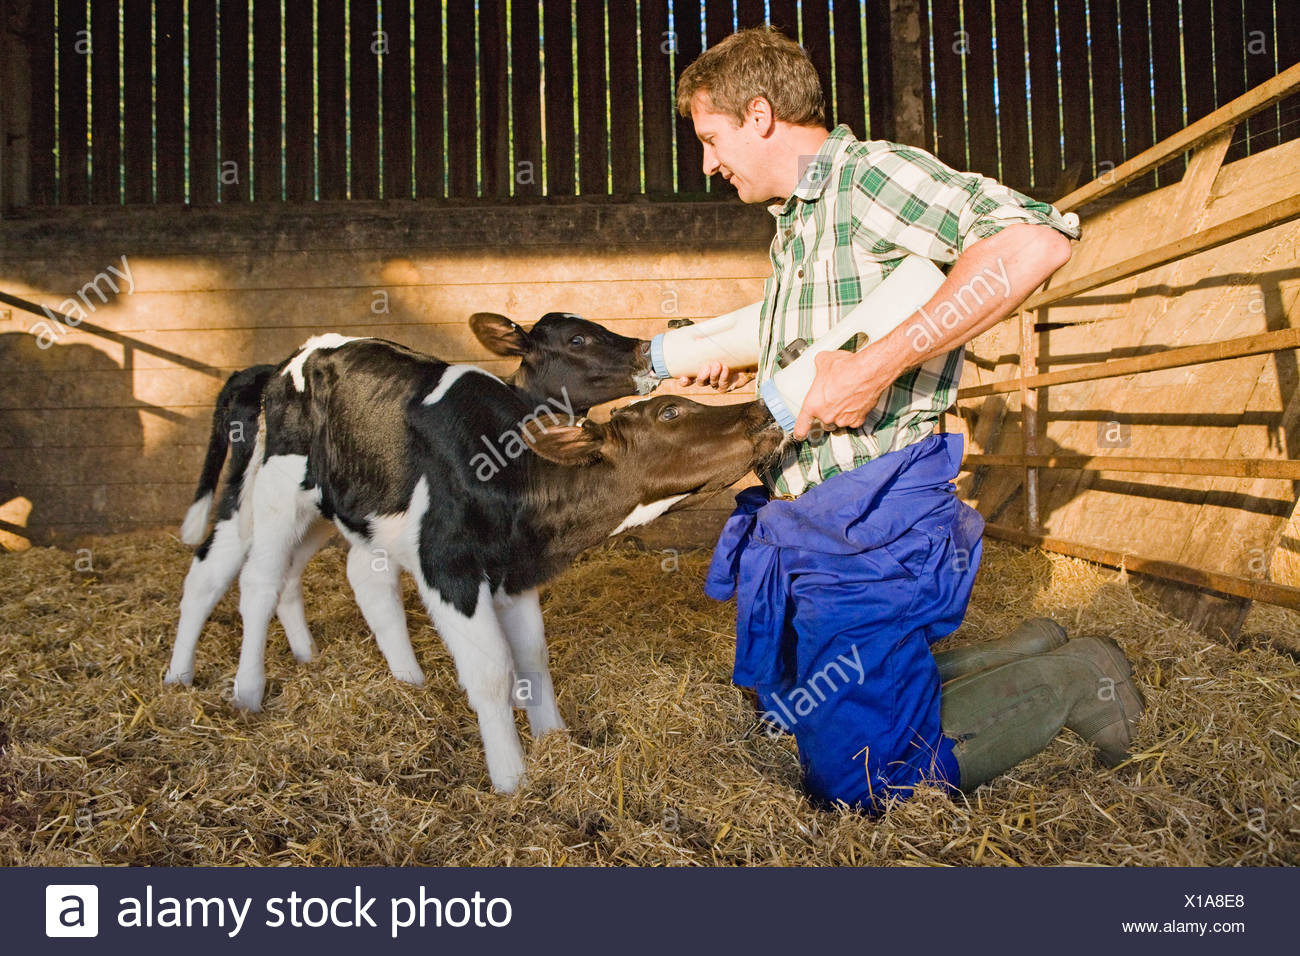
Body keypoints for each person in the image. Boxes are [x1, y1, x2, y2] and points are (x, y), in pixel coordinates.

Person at [675, 27, 1144, 811]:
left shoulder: (865, 179)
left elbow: (1033, 239)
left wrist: (876, 367)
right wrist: (761, 355)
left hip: (872, 517)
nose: (707, 163)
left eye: (711, 138)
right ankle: (1030, 648)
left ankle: (1077, 674)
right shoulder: (798, 221)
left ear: (759, 116)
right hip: (814, 522)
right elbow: (828, 347)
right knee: (792, 712)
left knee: (867, 785)